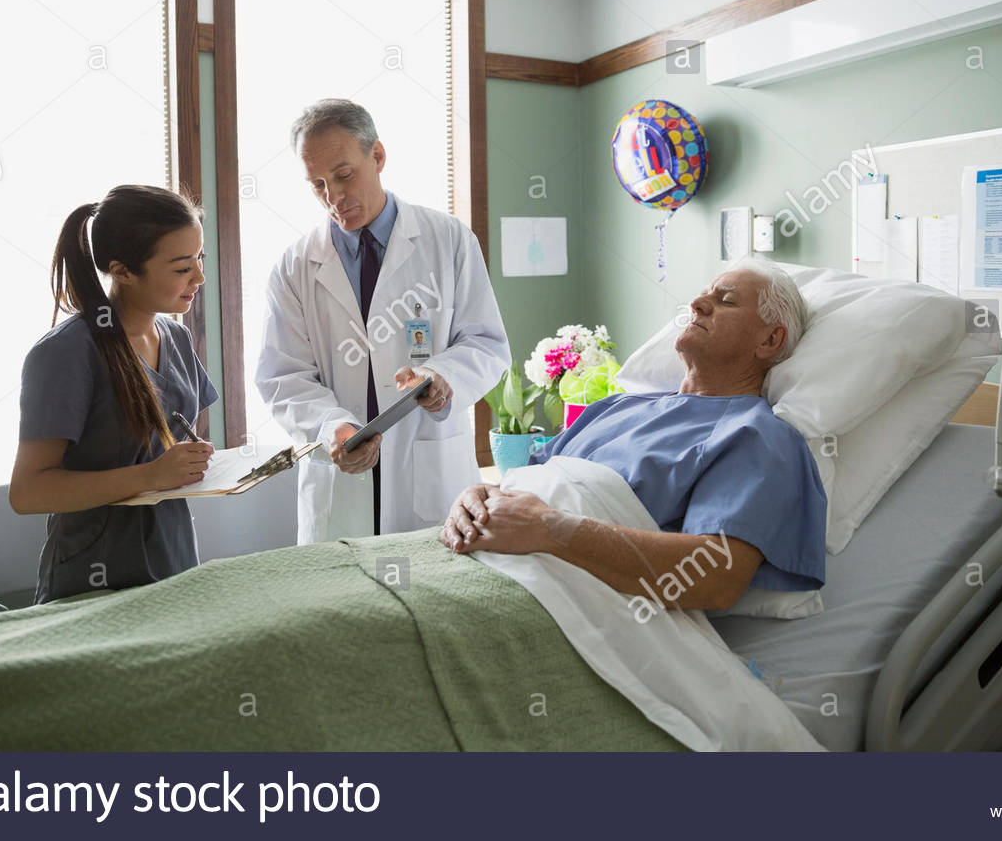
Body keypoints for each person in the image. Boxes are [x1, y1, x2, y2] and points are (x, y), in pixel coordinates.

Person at [440, 258, 825, 612]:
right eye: (704, 294)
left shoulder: (756, 436)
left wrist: (552, 528)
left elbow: (714, 577)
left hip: (560, 601)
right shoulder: (616, 407)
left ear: (770, 341)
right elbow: (518, 490)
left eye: (725, 301)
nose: (697, 304)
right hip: (465, 558)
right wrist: (474, 497)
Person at [256, 99, 510, 542]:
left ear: (377, 156)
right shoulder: (294, 267)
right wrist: (330, 426)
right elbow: (283, 377)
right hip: (341, 483)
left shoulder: (448, 240)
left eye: (343, 175)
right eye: (316, 184)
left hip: (430, 471)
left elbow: (486, 343)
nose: (333, 197)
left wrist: (441, 375)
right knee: (341, 605)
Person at [10, 185, 219, 603]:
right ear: (122, 271)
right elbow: (28, 491)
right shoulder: (65, 353)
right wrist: (150, 476)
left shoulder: (175, 337)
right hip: (93, 577)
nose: (198, 277)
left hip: (174, 558)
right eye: (181, 268)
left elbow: (169, 449)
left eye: (199, 258)